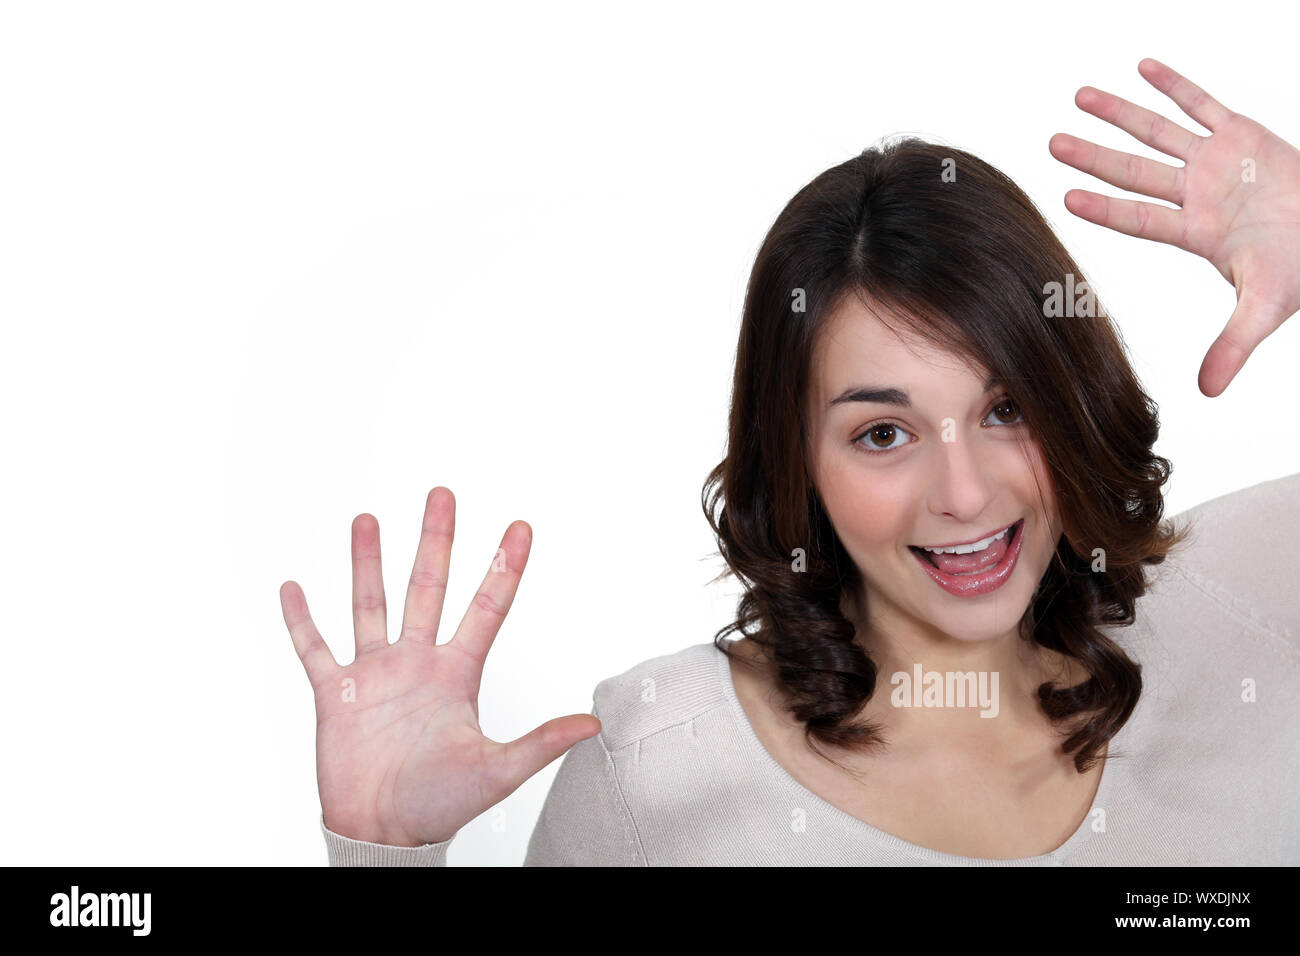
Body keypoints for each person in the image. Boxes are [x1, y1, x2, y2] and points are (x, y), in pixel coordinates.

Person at [279, 58, 1300, 865]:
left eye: (1003, 407)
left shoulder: (1248, 599)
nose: (963, 491)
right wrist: (386, 856)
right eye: (882, 433)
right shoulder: (659, 771)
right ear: (794, 455)